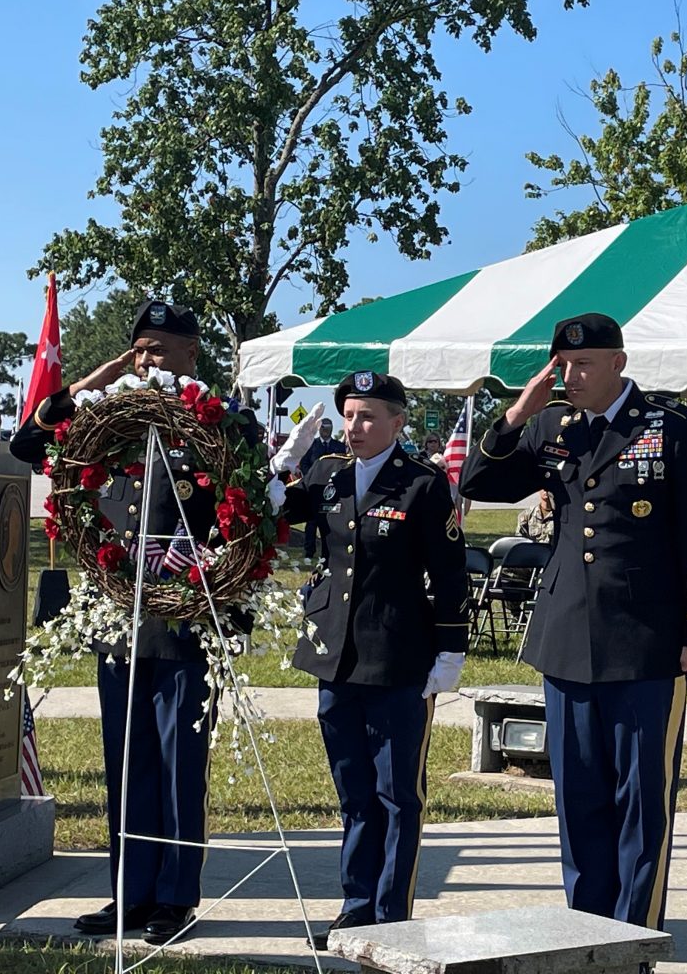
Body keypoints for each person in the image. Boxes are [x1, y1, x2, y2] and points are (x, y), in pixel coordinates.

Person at [459, 312, 687, 930]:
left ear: (619, 363)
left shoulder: (671, 428)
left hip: (645, 641)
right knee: (578, 799)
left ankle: (631, 937)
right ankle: (586, 931)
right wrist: (516, 416)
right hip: (566, 638)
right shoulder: (554, 425)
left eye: (583, 365)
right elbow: (479, 481)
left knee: (639, 801)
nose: (571, 376)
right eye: (562, 365)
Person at [12, 300, 254, 945]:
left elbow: (250, 505)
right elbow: (28, 443)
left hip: (185, 626)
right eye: (141, 349)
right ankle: (129, 895)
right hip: (120, 622)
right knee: (126, 765)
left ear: (192, 354)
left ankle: (175, 898)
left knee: (178, 766)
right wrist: (96, 380)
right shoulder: (107, 421)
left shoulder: (222, 421)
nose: (149, 361)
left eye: (161, 350)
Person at [274, 371, 469, 948]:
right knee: (353, 790)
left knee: (396, 793)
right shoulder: (329, 474)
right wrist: (284, 462)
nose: (355, 427)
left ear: (398, 422)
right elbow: (278, 515)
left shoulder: (423, 485)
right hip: (333, 655)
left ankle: (390, 912)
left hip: (396, 658)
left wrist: (450, 651)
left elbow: (451, 574)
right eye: (349, 416)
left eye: (367, 417)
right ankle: (355, 904)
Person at [299, 416, 345, 560]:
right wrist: (310, 478)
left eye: (329, 428)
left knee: (332, 521)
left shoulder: (339, 446)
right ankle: (309, 551)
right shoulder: (312, 445)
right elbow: (304, 464)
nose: (326, 431)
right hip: (315, 488)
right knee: (312, 521)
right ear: (319, 429)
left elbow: (344, 464)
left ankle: (330, 552)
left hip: (333, 489)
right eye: (323, 428)